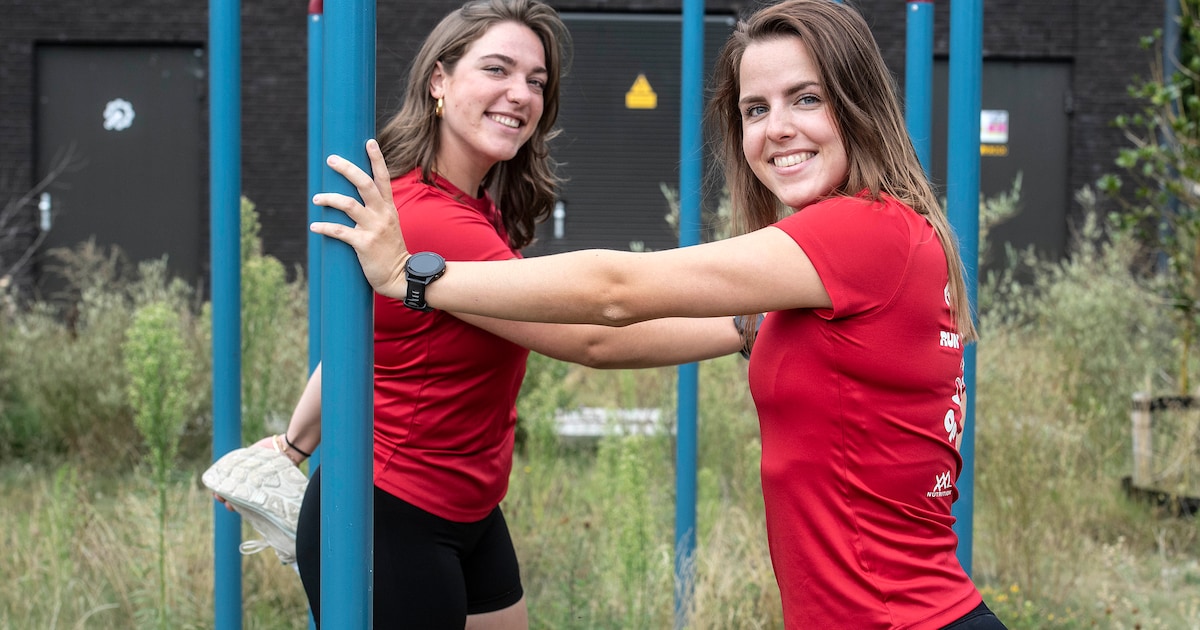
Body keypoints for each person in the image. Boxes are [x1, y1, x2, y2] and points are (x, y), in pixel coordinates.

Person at [309, 0, 1007, 628]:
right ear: (437, 79)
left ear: (856, 104)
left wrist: (415, 279)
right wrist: (291, 443)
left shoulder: (858, 234)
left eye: (806, 99)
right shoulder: (881, 240)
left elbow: (615, 293)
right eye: (756, 109)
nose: (778, 129)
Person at [212, 0, 742, 627]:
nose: (519, 94)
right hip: (394, 515)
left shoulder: (454, 208)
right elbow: (591, 335)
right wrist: (742, 328)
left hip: (467, 508)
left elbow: (355, 348)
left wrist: (294, 446)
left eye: (536, 81)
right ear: (439, 80)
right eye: (497, 70)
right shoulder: (434, 220)